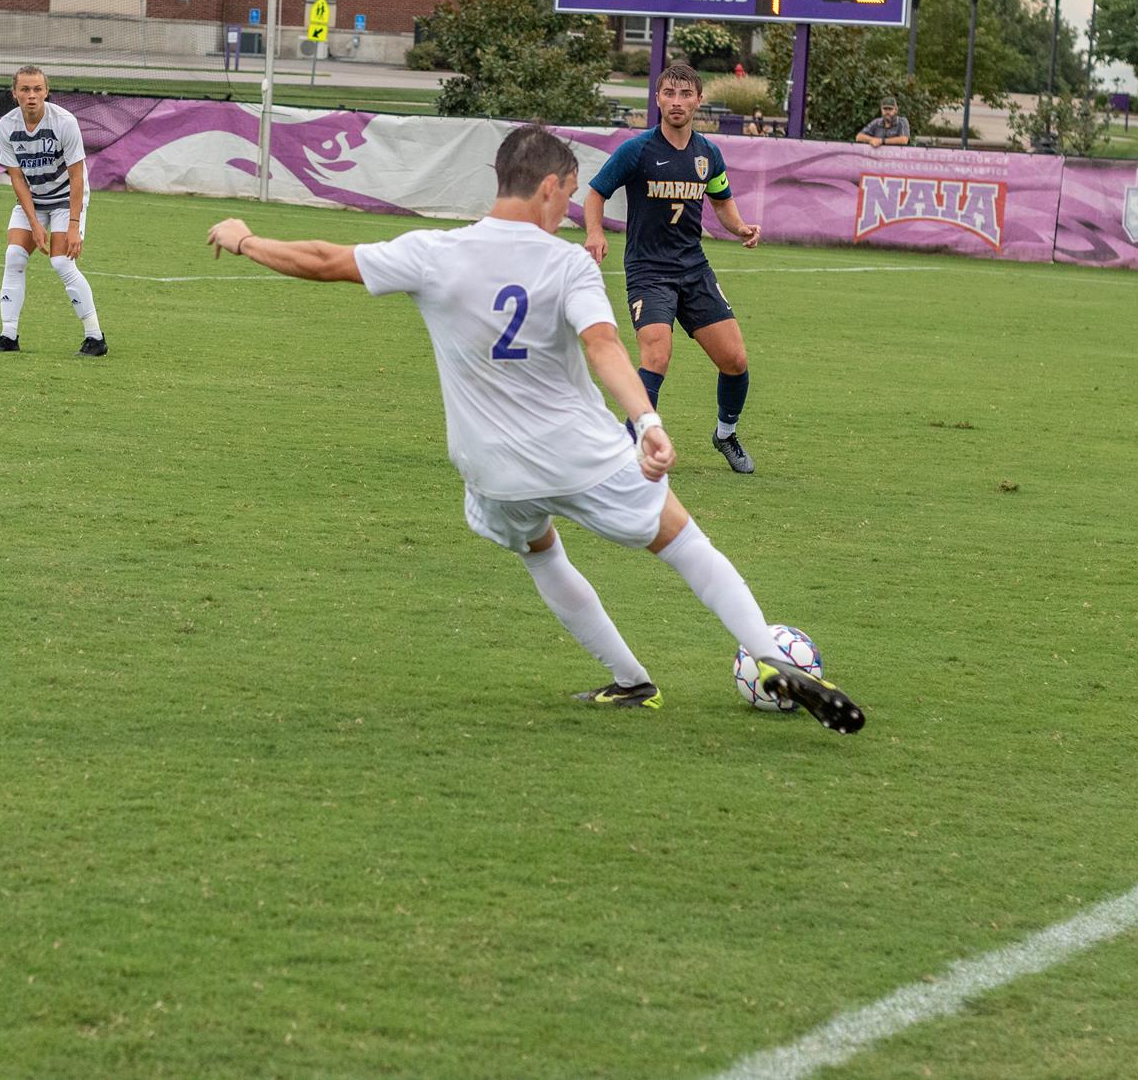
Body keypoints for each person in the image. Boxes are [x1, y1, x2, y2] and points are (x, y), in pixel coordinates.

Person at [203, 126, 863, 731]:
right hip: (581, 451)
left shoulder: (435, 252)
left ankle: (631, 681)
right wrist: (647, 421)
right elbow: (604, 344)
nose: (567, 209)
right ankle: (771, 656)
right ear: (549, 186)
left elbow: (323, 259)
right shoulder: (567, 263)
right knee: (686, 544)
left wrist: (245, 239)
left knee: (542, 552)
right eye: (569, 195)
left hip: (491, 466)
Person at [584, 64, 761, 475]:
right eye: (669, 93)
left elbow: (721, 200)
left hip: (694, 269)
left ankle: (725, 434)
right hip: (649, 271)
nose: (676, 102)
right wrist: (594, 232)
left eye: (685, 94)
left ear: (699, 100)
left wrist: (739, 227)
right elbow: (595, 193)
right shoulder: (637, 150)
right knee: (656, 355)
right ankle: (629, 448)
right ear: (658, 99)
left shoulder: (708, 154)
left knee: (735, 360)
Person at [0, 65, 108, 356]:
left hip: (66, 199)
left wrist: (74, 224)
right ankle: (8, 335)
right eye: (25, 89)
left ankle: (95, 338)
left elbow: (77, 176)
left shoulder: (64, 122)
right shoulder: (6, 126)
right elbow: (17, 178)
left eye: (37, 89)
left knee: (62, 263)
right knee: (14, 256)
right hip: (34, 199)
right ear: (14, 93)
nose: (32, 95)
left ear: (46, 92)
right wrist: (34, 223)